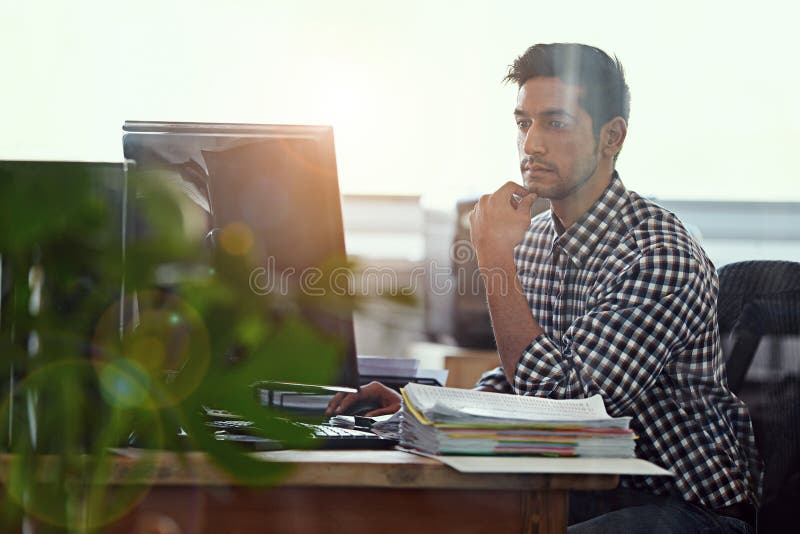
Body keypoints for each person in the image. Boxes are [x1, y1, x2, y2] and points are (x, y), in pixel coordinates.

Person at [327, 43, 761, 533]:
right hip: (581, 489)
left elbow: (566, 408)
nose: (530, 144)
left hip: (684, 505)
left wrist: (494, 260)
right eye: (523, 123)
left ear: (612, 136)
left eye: (555, 123)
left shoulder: (658, 254)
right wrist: (416, 411)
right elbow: (517, 386)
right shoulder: (534, 240)